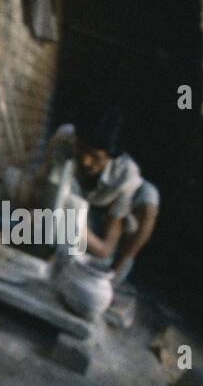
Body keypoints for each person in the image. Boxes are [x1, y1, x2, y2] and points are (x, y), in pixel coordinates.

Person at [40, 110, 159, 283]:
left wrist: (73, 227)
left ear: (111, 158)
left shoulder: (127, 176)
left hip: (105, 204)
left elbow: (105, 248)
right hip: (75, 197)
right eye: (81, 149)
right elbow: (44, 184)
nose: (86, 161)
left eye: (95, 157)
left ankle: (113, 277)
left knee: (150, 199)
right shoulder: (64, 137)